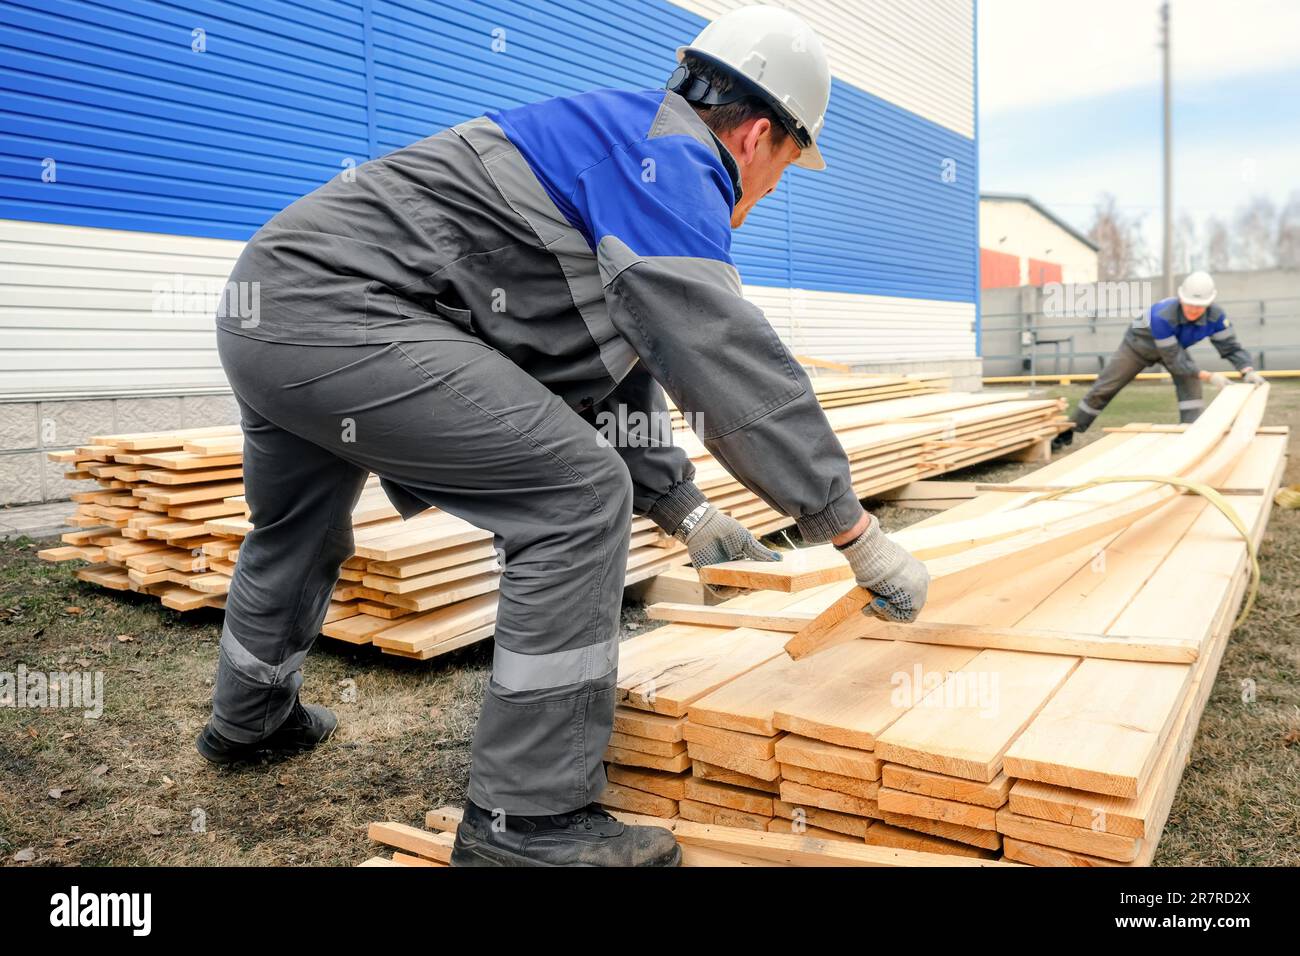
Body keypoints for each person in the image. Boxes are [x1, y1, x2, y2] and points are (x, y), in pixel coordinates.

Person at [197, 5, 929, 866]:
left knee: (299, 526)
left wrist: (687, 512)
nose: (769, 193)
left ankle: (250, 719)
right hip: (344, 316)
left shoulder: (622, 141)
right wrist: (854, 530)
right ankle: (529, 821)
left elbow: (619, 362)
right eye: (786, 167)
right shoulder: (677, 163)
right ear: (759, 135)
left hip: (272, 302)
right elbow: (723, 355)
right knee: (577, 497)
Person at [1057, 270, 1264, 447]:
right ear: (1181, 298)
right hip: (1137, 345)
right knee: (1105, 387)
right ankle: (1069, 430)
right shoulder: (1161, 315)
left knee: (1190, 386)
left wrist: (1247, 370)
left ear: (1209, 303)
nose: (1193, 310)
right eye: (1188, 304)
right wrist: (1209, 376)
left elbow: (1230, 346)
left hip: (1174, 346)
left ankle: (1190, 436)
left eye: (1198, 306)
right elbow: (1174, 359)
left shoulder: (1217, 317)